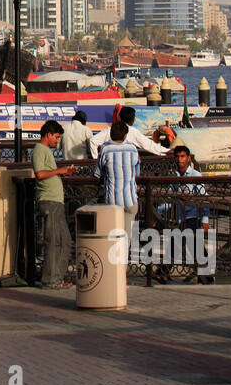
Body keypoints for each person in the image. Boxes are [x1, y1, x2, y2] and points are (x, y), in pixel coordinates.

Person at [33, 120, 75, 289]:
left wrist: (61, 173)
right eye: (56, 137)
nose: (57, 141)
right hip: (49, 201)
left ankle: (56, 277)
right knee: (54, 241)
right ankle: (51, 280)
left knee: (64, 240)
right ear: (48, 135)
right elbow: (40, 174)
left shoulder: (44, 151)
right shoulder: (39, 150)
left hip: (55, 201)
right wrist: (61, 171)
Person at [166, 145, 211, 284]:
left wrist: (205, 219)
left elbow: (204, 199)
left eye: (182, 156)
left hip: (193, 217)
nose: (180, 160)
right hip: (181, 218)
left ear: (188, 158)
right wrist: (158, 213)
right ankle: (206, 278)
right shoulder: (174, 176)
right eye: (177, 157)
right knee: (193, 247)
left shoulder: (195, 176)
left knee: (182, 243)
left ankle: (163, 271)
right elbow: (167, 198)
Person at [94, 120, 142, 241]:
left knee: (113, 237)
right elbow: (136, 173)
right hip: (130, 199)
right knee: (127, 237)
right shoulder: (132, 148)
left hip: (112, 201)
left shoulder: (105, 149)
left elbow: (98, 173)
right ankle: (124, 258)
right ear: (125, 135)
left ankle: (114, 258)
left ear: (111, 134)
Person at [90, 106, 172, 158]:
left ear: (120, 118)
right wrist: (167, 151)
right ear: (132, 121)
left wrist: (95, 159)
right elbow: (149, 145)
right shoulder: (132, 132)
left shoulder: (110, 130)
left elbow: (93, 141)